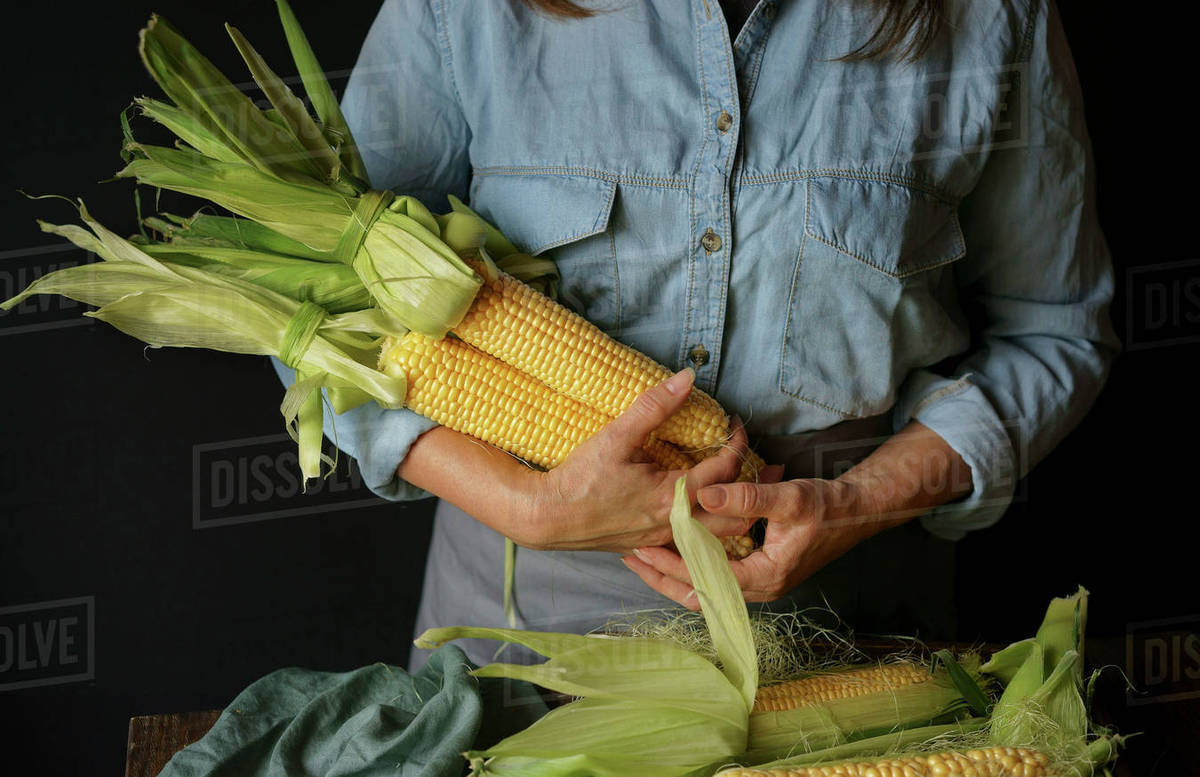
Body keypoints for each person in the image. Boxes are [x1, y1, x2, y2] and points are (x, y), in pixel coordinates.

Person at [275, 0, 1117, 669]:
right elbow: (325, 307)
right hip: (520, 635)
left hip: (851, 632)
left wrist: (858, 503)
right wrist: (525, 505)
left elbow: (1057, 328)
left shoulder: (990, 16)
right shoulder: (465, 11)